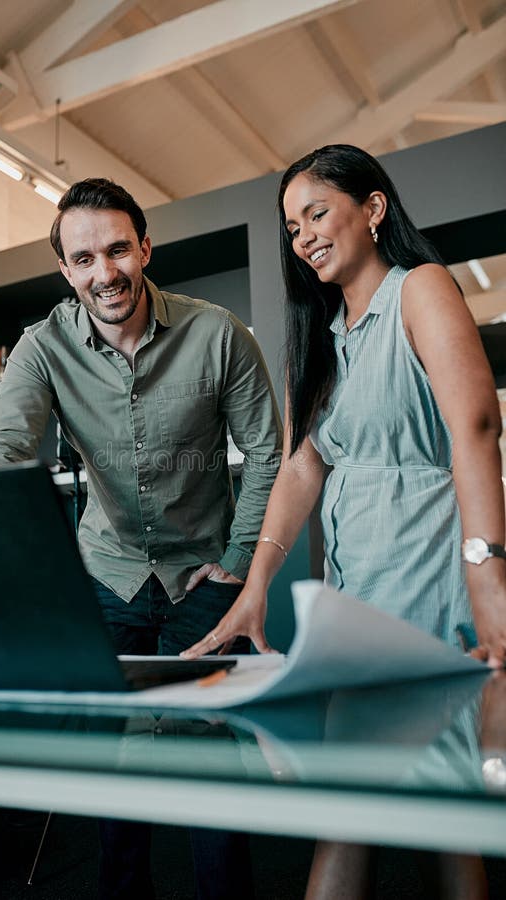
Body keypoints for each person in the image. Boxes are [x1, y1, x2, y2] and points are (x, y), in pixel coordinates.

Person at [181, 144, 506, 898]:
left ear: (373, 208)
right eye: (293, 227)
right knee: (428, 812)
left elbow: (476, 426)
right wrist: (256, 585)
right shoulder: (326, 334)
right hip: (358, 589)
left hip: (426, 579)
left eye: (317, 213)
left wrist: (488, 577)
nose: (303, 237)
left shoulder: (420, 289)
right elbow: (303, 466)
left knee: (371, 809)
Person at [0, 177, 282, 899]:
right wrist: (28, 564)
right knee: (118, 769)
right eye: (83, 259)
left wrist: (238, 562)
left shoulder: (218, 334)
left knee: (209, 765)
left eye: (117, 250)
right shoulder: (41, 347)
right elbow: (2, 454)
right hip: (107, 578)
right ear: (65, 269)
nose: (104, 273)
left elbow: (269, 451)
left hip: (205, 579)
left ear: (144, 247)